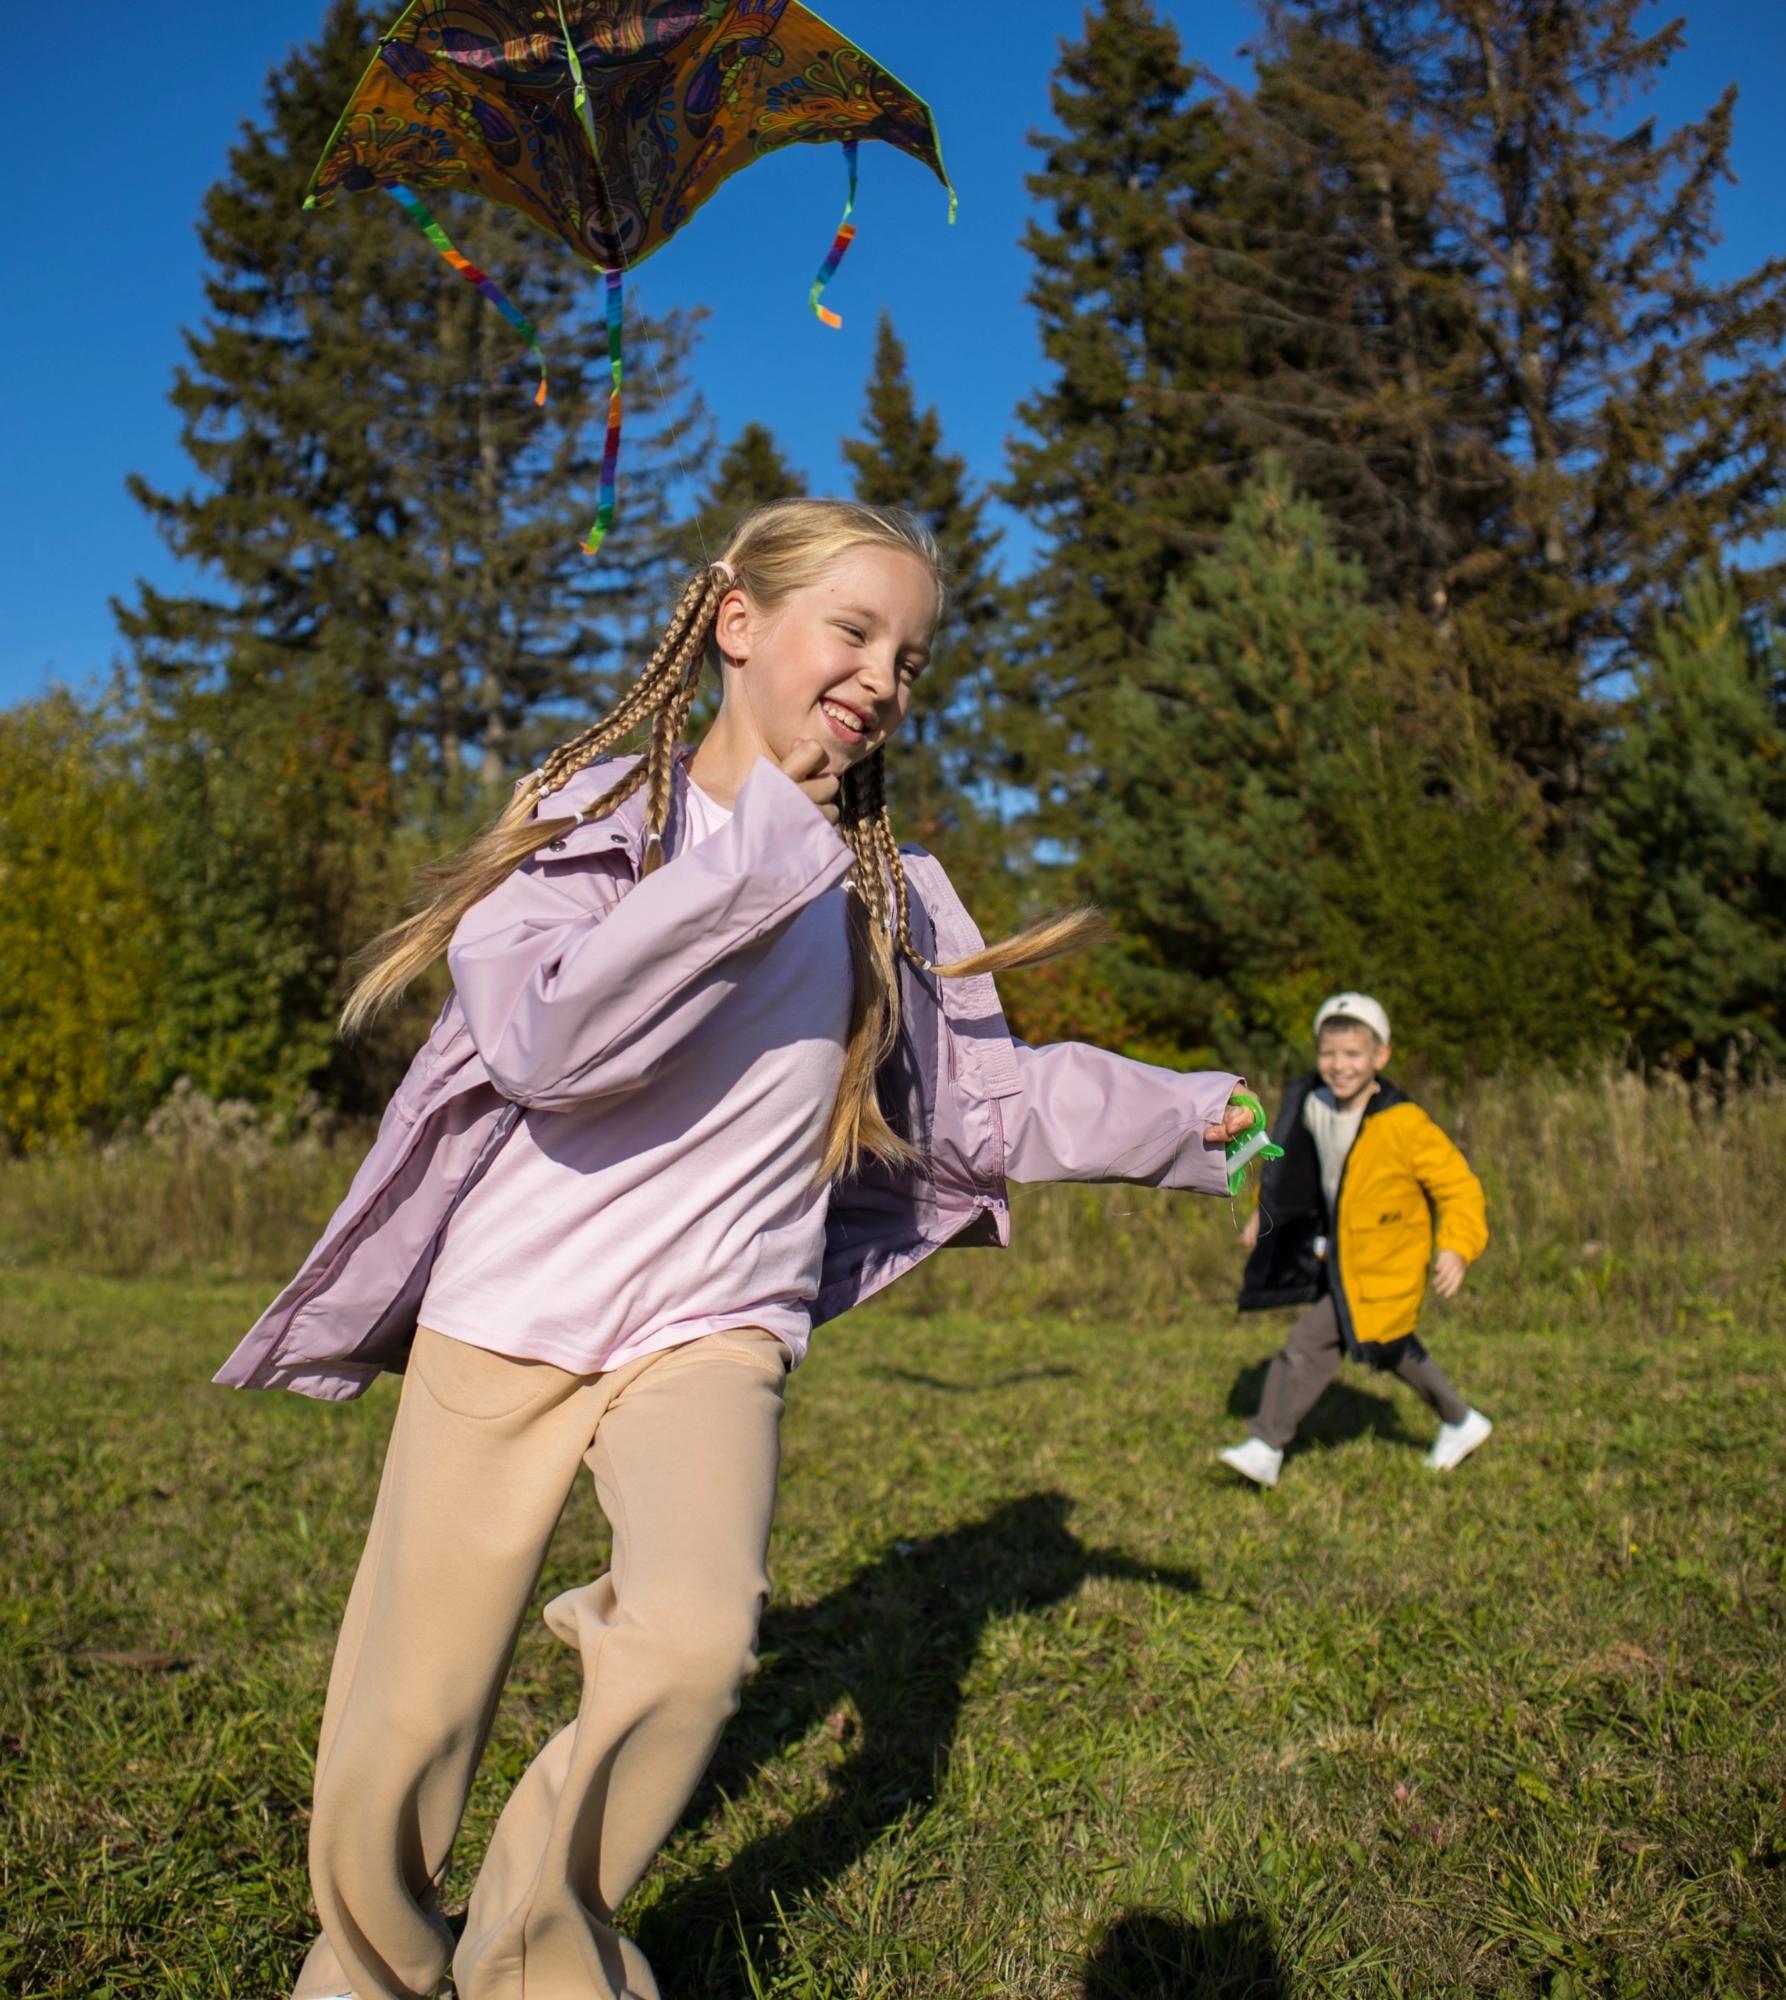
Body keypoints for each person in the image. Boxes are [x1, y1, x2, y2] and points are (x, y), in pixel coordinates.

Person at [216, 500, 1254, 2000]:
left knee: (697, 1643)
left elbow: (990, 1104)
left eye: (911, 654)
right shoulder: (596, 817)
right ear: (739, 626)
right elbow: (547, 1040)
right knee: (411, 1707)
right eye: (855, 630)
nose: (885, 675)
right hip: (513, 1308)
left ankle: (537, 1960)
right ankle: (369, 1967)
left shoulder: (886, 890)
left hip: (717, 1328)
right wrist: (764, 843)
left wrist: (1197, 1122)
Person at [1219, 992, 1491, 1488]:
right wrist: (1264, 1214)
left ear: (1380, 1057)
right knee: (1385, 1344)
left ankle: (1266, 1444)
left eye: (1353, 1055)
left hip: (1386, 1258)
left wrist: (1456, 1245)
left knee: (1307, 1345)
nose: (1339, 1066)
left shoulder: (1403, 1122)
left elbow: (1459, 1186)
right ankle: (1460, 1419)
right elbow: (1292, 1169)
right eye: (1329, 1053)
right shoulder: (1312, 1104)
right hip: (1339, 1254)